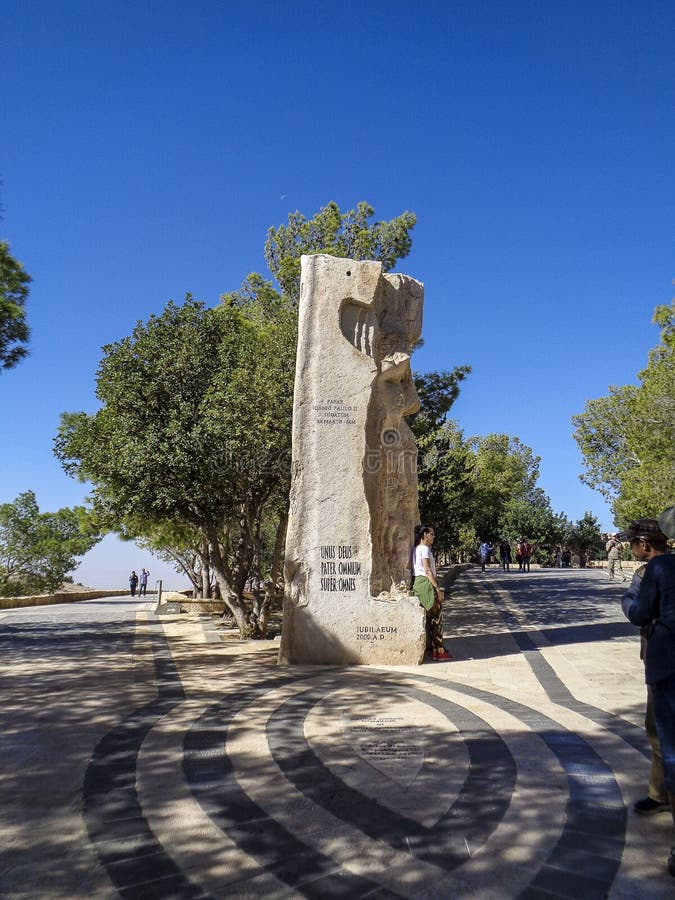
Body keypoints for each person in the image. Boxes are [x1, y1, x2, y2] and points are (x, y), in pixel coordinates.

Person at [620, 518, 675, 875]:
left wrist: (627, 602)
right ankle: (658, 793)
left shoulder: (655, 569)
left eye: (632, 542)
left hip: (666, 663)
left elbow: (639, 612)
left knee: (667, 743)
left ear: (643, 544)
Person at [412, 525, 450, 661]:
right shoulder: (424, 549)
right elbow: (427, 570)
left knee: (432, 617)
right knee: (437, 617)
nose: (433, 536)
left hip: (418, 583)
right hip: (426, 584)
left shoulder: (416, 549)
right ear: (425, 535)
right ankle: (439, 651)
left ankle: (435, 650)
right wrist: (437, 588)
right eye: (432, 534)